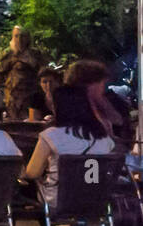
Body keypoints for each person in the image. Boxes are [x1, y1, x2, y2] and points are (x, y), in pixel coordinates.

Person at [25, 85, 114, 215]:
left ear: (58, 108)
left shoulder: (51, 135)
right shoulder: (104, 138)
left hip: (59, 200)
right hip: (95, 200)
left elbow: (32, 173)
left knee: (23, 189)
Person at [63, 59, 129, 140]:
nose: (103, 86)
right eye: (101, 82)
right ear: (90, 84)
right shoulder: (75, 109)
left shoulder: (99, 101)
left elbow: (118, 121)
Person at [0, 25, 46, 121]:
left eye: (23, 36)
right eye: (16, 36)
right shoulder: (9, 54)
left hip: (32, 96)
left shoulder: (35, 54)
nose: (20, 39)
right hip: (13, 98)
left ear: (28, 38)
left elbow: (43, 72)